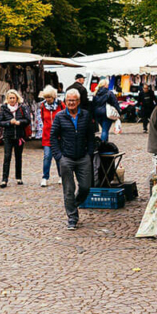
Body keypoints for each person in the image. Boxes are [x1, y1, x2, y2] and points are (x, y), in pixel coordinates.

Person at [51, 88, 97, 230]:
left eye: (73, 100)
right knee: (68, 189)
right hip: (66, 158)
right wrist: (58, 156)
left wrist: (89, 153)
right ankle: (72, 217)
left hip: (83, 157)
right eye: (68, 100)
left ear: (78, 102)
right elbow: (53, 137)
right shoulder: (59, 116)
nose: (71, 103)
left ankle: (74, 203)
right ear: (65, 102)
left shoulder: (85, 115)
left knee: (85, 187)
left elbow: (91, 136)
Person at [0, 89, 30, 188]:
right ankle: (4, 179)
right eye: (10, 98)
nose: (12, 100)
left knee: (18, 157)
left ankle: (18, 177)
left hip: (19, 136)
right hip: (8, 136)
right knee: (7, 157)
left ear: (16, 98)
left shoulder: (22, 108)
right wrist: (9, 123)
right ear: (7, 99)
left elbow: (27, 120)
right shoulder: (4, 109)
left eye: (13, 98)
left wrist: (20, 122)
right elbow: (0, 122)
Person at [37, 86, 60, 187]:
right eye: (46, 97)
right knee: (47, 156)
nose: (47, 100)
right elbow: (42, 118)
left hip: (59, 135)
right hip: (47, 135)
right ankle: (45, 177)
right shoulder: (43, 106)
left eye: (49, 97)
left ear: (53, 97)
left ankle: (61, 175)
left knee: (59, 157)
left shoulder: (60, 105)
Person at [91, 80, 119, 145]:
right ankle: (103, 145)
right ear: (105, 85)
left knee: (104, 129)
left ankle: (105, 144)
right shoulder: (109, 93)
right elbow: (115, 103)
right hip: (106, 113)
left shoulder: (95, 93)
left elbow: (92, 105)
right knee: (105, 130)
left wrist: (93, 115)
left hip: (97, 113)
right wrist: (118, 112)